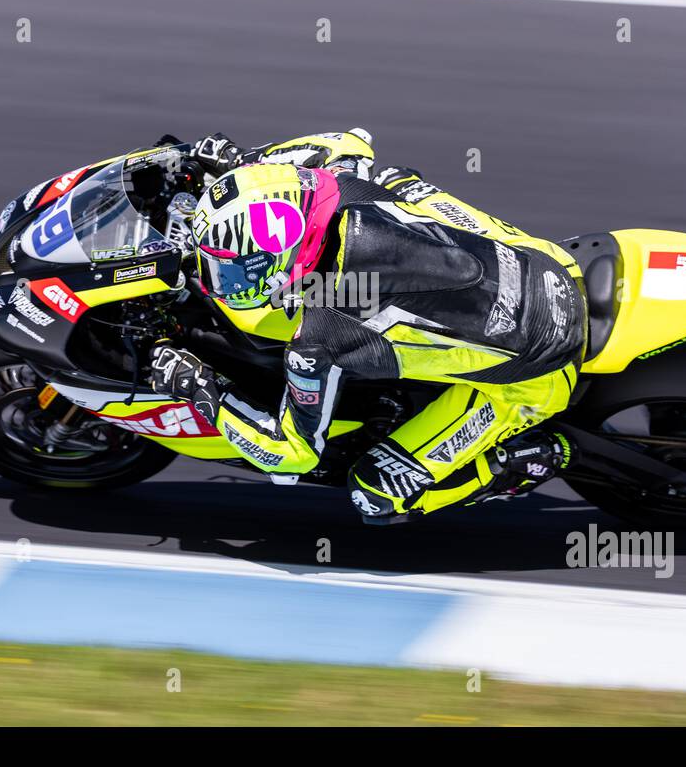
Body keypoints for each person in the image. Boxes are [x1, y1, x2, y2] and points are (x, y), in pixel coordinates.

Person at [150, 129, 587, 524]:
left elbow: (290, 456)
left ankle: (527, 458)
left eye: (234, 272)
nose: (221, 282)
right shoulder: (342, 183)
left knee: (373, 495)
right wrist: (246, 164)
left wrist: (202, 388)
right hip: (545, 263)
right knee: (398, 181)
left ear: (280, 261)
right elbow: (349, 140)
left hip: (537, 371)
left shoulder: (320, 336)